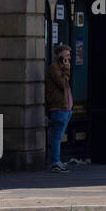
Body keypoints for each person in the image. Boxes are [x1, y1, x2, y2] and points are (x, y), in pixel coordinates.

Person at [45, 44, 73, 173]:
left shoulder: (61, 67)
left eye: (69, 55)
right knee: (57, 136)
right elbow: (62, 83)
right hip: (59, 107)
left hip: (66, 107)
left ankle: (57, 161)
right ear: (59, 55)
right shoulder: (54, 68)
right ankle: (55, 162)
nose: (69, 57)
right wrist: (67, 70)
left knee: (59, 136)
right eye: (67, 55)